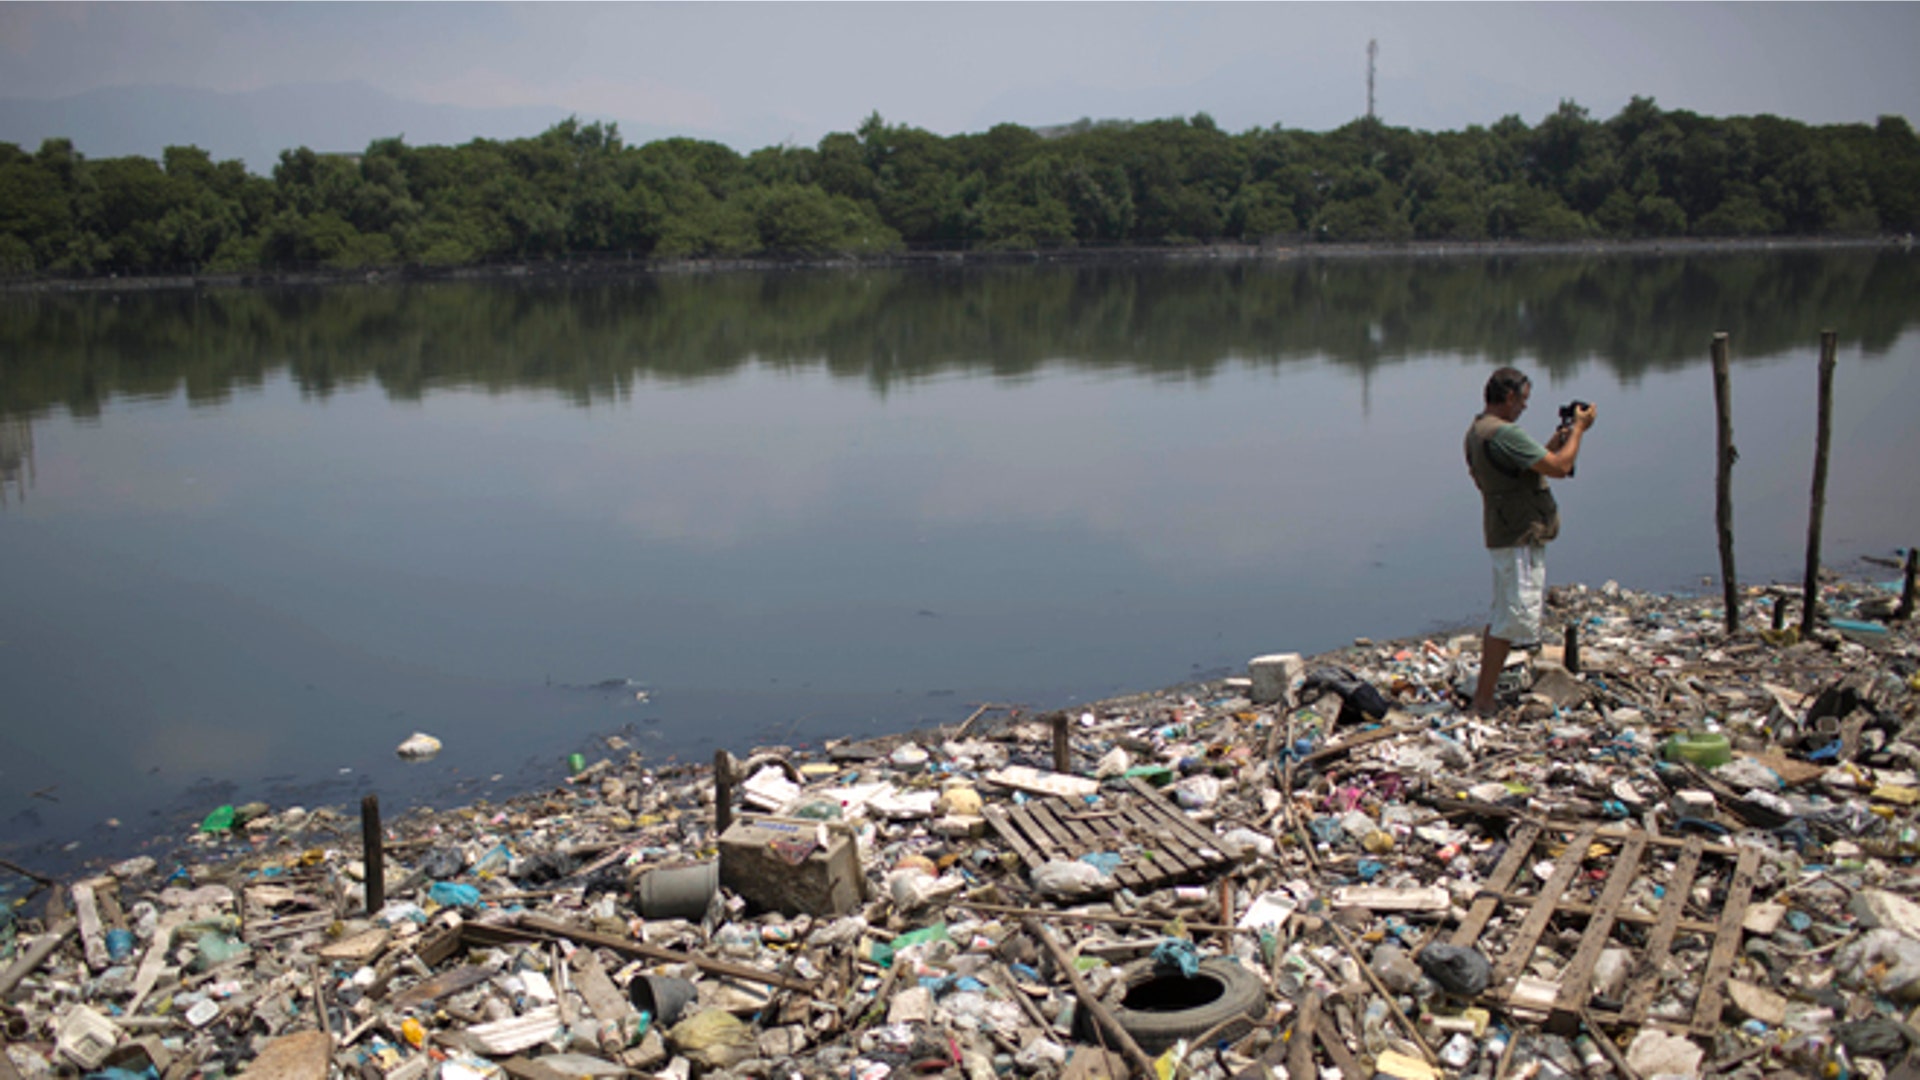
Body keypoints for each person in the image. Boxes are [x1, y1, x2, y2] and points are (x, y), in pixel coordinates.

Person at [1464, 367, 1595, 716]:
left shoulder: (1479, 430)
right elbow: (1559, 467)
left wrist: (1558, 438)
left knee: (1508, 613)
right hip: (1517, 533)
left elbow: (1530, 465)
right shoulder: (1504, 433)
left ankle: (1485, 694)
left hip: (1505, 530)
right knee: (1513, 617)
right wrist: (1579, 431)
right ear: (1509, 397)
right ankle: (1484, 698)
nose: (1524, 408)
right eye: (1523, 400)